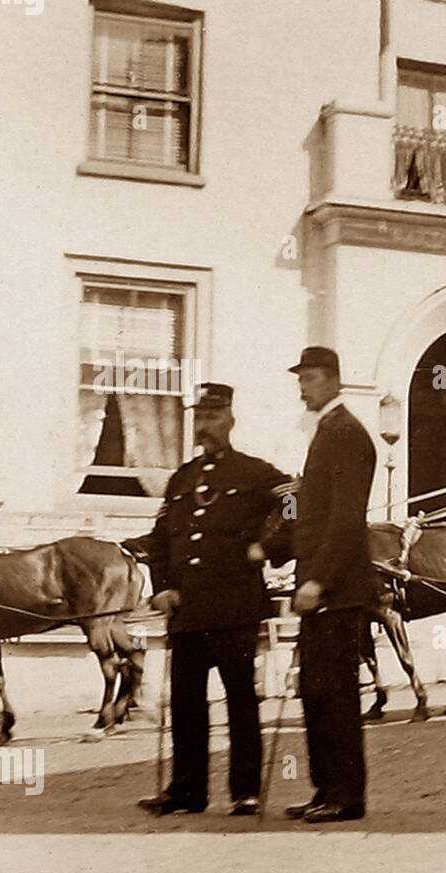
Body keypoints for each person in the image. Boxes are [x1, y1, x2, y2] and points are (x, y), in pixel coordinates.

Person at [138, 383, 291, 817]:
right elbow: (159, 540)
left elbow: (297, 503)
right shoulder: (181, 480)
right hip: (186, 610)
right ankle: (187, 790)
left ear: (231, 421)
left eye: (213, 417)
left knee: (241, 700)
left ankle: (245, 791)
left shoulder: (256, 473)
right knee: (186, 703)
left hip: (235, 608)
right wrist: (162, 586)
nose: (205, 426)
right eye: (200, 418)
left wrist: (271, 546)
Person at [285, 346, 378, 823]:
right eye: (301, 378)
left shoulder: (344, 433)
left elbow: (346, 520)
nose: (304, 386)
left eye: (314, 378)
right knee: (316, 693)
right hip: (319, 590)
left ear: (336, 381)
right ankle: (326, 791)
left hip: (337, 592)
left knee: (336, 696)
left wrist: (318, 580)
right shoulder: (326, 430)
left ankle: (346, 796)